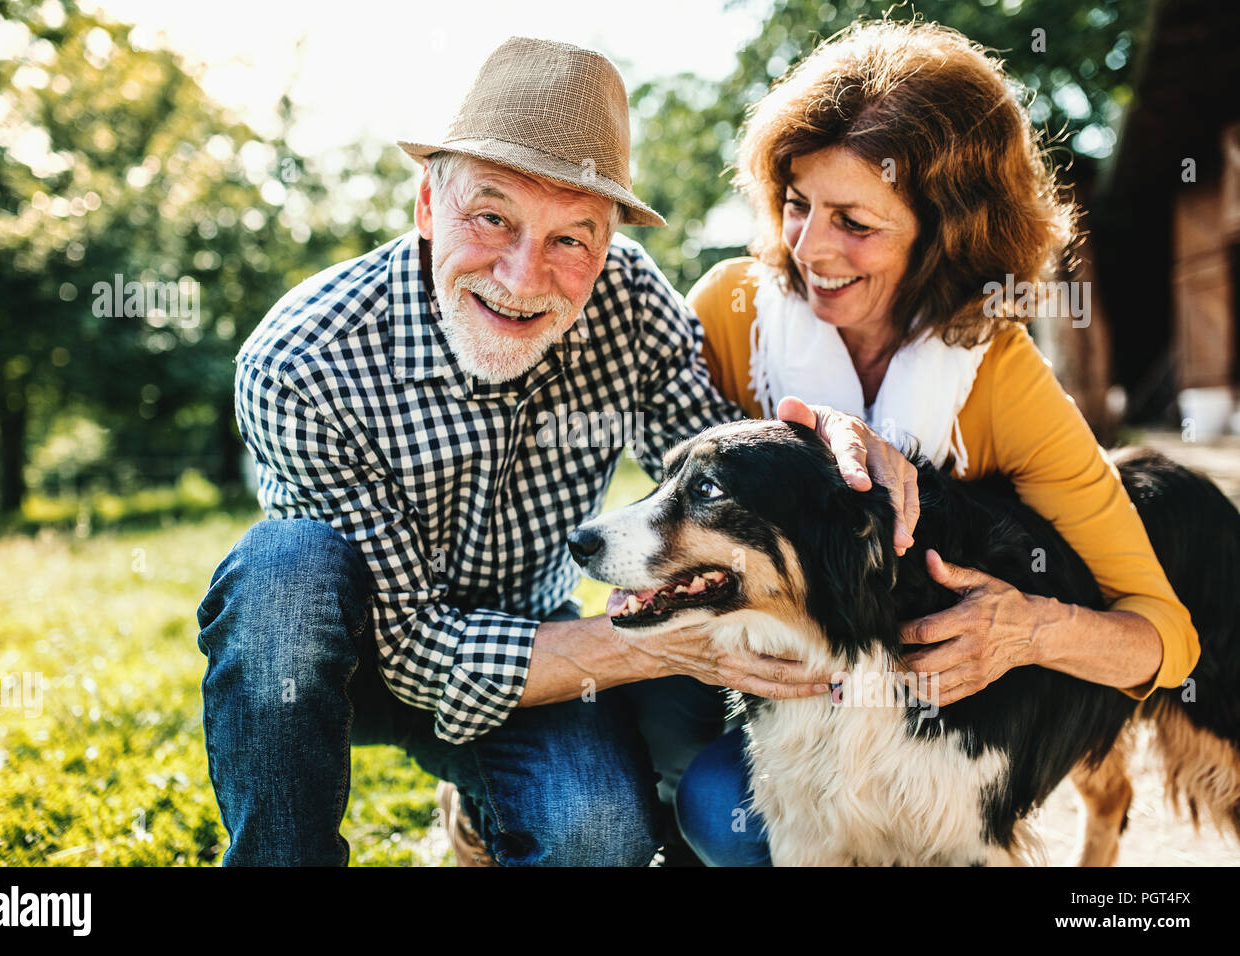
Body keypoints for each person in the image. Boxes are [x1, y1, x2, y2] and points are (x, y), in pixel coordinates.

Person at [195, 35, 840, 867]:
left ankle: (477, 808)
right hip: (345, 657)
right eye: (491, 215)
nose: (523, 274)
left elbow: (722, 477)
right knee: (283, 571)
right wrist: (650, 647)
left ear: (607, 247)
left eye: (572, 237)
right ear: (428, 207)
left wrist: (838, 463)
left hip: (533, 644)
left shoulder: (631, 306)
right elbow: (416, 649)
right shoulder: (302, 359)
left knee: (597, 838)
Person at [674, 19, 1202, 866]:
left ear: (947, 231)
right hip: (766, 698)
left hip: (926, 731)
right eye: (799, 204)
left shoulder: (1003, 380)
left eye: (856, 221)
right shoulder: (729, 313)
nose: (811, 248)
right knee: (716, 806)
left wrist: (1029, 630)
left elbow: (1165, 638)